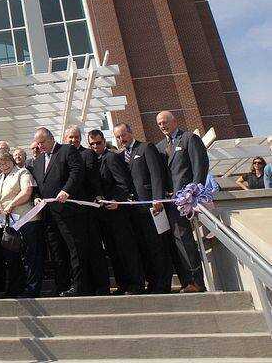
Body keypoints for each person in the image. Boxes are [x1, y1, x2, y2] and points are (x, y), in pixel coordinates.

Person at [113, 122, 172, 294]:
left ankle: (163, 284)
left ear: (130, 133)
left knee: (157, 246)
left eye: (123, 135)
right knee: (145, 247)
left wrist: (157, 198)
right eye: (117, 137)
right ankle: (152, 282)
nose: (121, 139)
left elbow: (156, 174)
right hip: (134, 210)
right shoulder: (121, 155)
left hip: (151, 205)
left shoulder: (146, 148)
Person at [29, 127, 87, 297]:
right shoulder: (38, 161)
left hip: (67, 210)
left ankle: (79, 285)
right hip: (48, 213)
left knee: (74, 248)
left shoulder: (67, 150)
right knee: (56, 250)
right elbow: (39, 185)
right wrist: (37, 197)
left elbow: (77, 171)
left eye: (42, 142)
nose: (40, 146)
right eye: (38, 144)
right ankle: (62, 284)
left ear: (51, 138)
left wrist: (67, 190)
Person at [155, 110, 208, 293]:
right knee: (177, 241)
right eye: (159, 123)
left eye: (165, 122)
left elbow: (199, 166)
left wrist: (194, 193)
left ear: (174, 121)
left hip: (186, 201)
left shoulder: (189, 139)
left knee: (185, 240)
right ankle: (187, 281)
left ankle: (197, 281)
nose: (162, 125)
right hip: (168, 203)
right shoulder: (160, 147)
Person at [88, 129, 144, 295]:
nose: (96, 146)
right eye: (92, 144)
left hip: (117, 213)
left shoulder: (111, 157)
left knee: (126, 249)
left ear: (104, 141)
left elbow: (123, 183)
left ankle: (137, 283)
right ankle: (123, 283)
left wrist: (116, 201)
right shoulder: (94, 161)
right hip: (104, 214)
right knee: (113, 252)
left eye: (98, 143)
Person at [64, 125, 110, 296]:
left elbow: (92, 178)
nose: (74, 140)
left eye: (76, 137)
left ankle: (102, 286)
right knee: (79, 250)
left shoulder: (87, 154)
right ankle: (86, 285)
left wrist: (97, 195)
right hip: (72, 210)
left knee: (95, 248)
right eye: (70, 137)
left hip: (88, 208)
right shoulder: (63, 154)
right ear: (65, 138)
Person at [0, 151, 41, 297]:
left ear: (12, 160)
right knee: (12, 257)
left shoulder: (22, 172)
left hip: (26, 220)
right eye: (0, 163)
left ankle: (32, 289)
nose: (4, 165)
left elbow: (27, 192)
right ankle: (14, 288)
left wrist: (12, 204)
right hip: (8, 222)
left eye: (6, 161)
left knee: (30, 255)